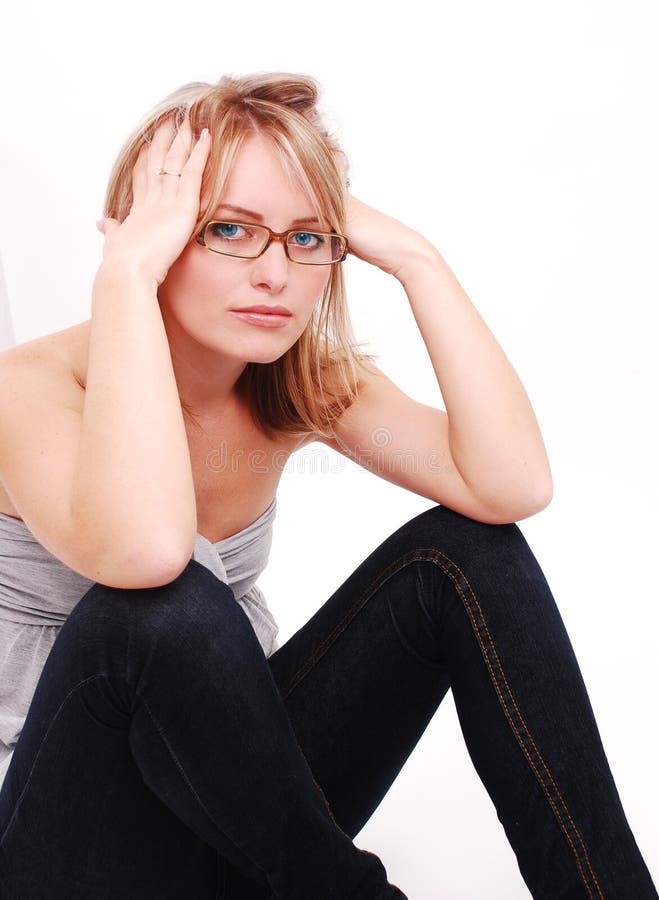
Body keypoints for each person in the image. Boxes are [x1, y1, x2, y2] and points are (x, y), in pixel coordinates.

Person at [0, 72, 655, 900]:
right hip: (69, 845)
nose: (275, 272)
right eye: (229, 230)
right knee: (160, 604)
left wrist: (417, 259)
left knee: (463, 554)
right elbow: (146, 551)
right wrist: (124, 280)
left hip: (247, 823)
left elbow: (509, 486)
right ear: (153, 234)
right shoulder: (29, 389)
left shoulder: (292, 381)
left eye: (307, 239)